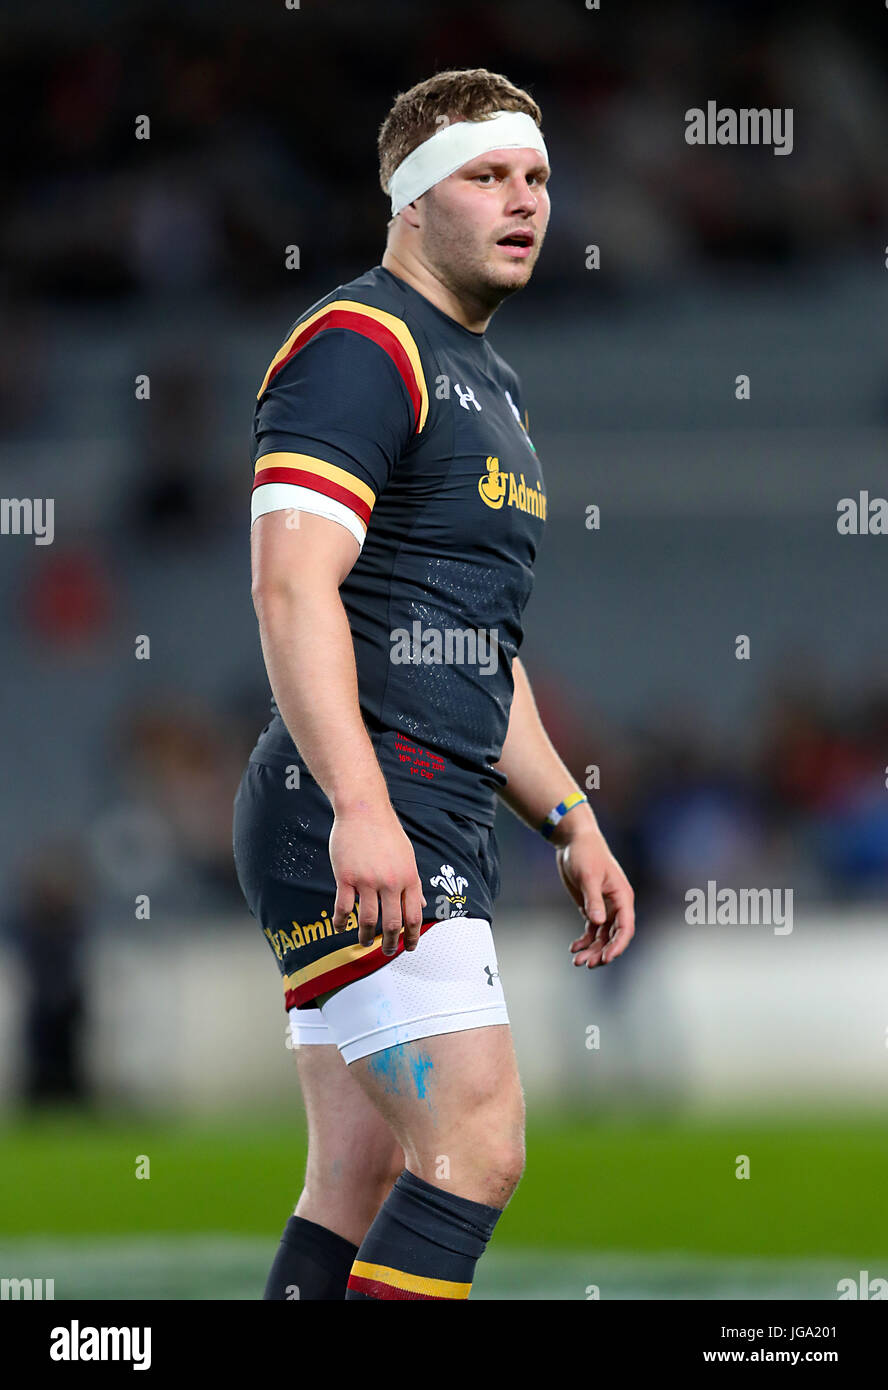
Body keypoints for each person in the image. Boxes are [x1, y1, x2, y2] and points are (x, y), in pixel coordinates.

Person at [233, 67, 635, 1302]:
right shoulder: (362, 344)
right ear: (411, 200)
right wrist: (360, 804)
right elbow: (291, 586)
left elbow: (479, 649)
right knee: (476, 1146)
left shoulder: (492, 386)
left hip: (420, 801)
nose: (525, 201)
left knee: (356, 1176)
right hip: (368, 801)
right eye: (487, 176)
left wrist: (569, 816)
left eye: (538, 178)